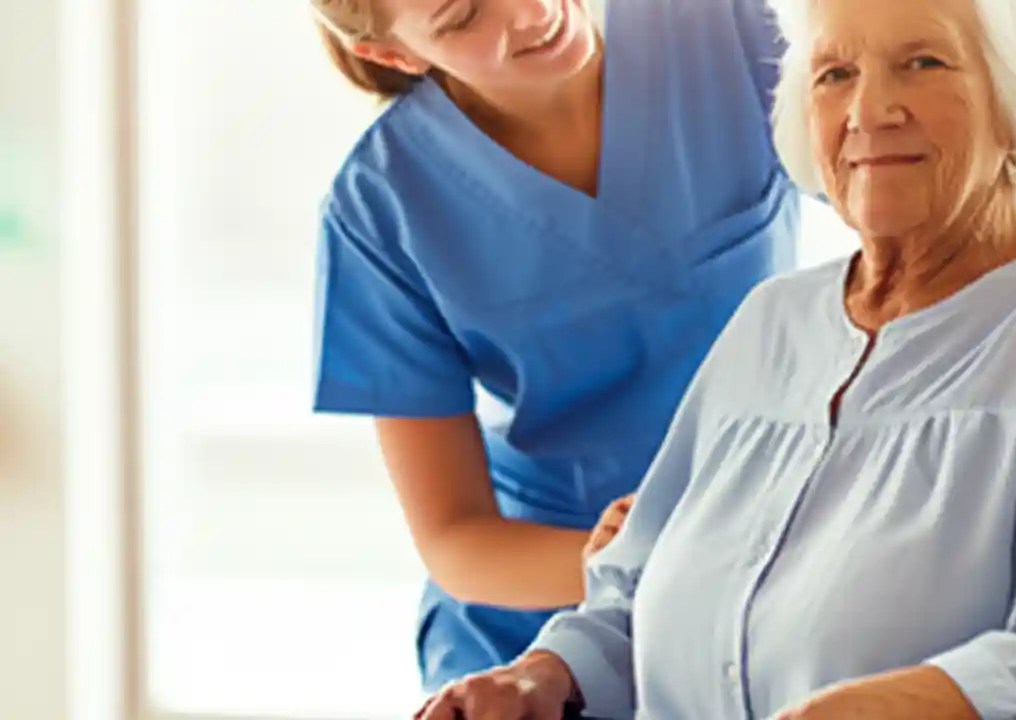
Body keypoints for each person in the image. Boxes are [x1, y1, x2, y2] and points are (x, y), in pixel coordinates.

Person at [418, 0, 1016, 716]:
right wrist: (545, 672)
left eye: (923, 63)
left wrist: (898, 707)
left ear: (1013, 97)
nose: (870, 110)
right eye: (835, 74)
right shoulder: (773, 322)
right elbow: (631, 588)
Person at [308, 0, 800, 693]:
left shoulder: (724, 32)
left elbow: (918, 202)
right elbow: (456, 538)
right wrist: (631, 561)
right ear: (396, 56)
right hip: (532, 608)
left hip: (764, 568)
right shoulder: (382, 205)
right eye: (463, 16)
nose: (533, 11)